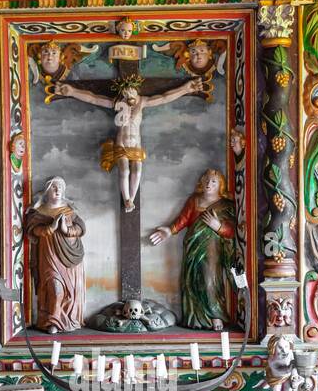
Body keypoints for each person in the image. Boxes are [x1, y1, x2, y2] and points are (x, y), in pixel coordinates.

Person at [53, 71, 204, 212]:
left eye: (130, 93)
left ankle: (131, 199)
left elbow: (164, 97)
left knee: (137, 172)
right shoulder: (117, 103)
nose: (128, 96)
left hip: (136, 145)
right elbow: (93, 98)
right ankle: (127, 199)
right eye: (125, 94)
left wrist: (185, 89)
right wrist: (72, 91)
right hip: (122, 144)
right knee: (124, 171)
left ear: (136, 91)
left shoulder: (143, 102)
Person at [149, 168, 236, 329]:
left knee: (210, 281)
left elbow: (233, 231)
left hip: (212, 248)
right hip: (192, 246)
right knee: (191, 281)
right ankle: (194, 318)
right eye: (207, 180)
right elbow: (183, 219)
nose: (209, 184)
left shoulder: (226, 205)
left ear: (220, 186)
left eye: (214, 182)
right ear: (201, 181)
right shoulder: (194, 200)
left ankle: (215, 315)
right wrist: (170, 231)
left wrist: (218, 226)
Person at [24, 176, 86, 333]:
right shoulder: (39, 212)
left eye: (60, 187)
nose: (58, 190)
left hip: (70, 258)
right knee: (55, 288)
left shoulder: (70, 211)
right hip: (49, 256)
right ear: (47, 190)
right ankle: (53, 321)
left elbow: (80, 229)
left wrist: (66, 230)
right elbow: (33, 231)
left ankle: (66, 319)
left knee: (70, 292)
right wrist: (51, 227)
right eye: (54, 187)